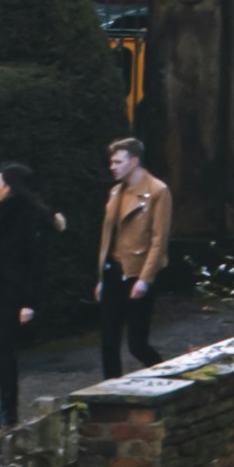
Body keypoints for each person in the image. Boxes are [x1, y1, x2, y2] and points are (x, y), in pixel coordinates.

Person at [0, 158, 64, 425]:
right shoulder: (1, 215)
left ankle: (8, 410)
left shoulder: (26, 217)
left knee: (5, 353)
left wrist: (29, 302)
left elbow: (35, 261)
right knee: (1, 354)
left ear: (10, 187)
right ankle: (5, 408)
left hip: (11, 294)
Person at [94, 137, 173, 376]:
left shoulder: (158, 191)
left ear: (134, 161)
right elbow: (108, 237)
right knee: (108, 339)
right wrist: (101, 278)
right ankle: (111, 391)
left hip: (138, 270)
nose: (113, 166)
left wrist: (145, 278)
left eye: (118, 161)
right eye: (112, 162)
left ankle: (167, 376)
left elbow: (159, 239)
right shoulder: (116, 192)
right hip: (114, 268)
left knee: (137, 343)